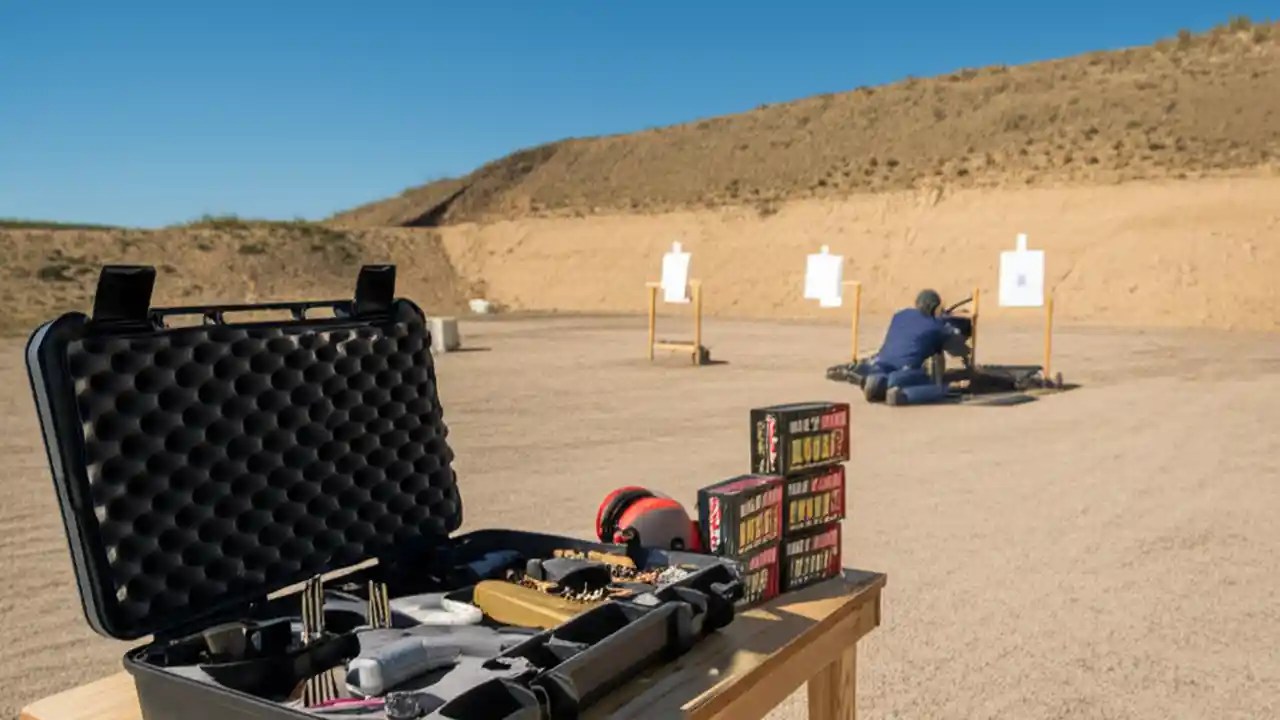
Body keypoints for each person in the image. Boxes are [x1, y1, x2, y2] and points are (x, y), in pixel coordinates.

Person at [860, 289, 970, 405]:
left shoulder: (900, 315)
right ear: (935, 308)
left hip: (882, 362)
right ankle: (903, 395)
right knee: (934, 386)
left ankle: (878, 380)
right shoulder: (937, 326)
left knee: (885, 373)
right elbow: (958, 350)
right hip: (906, 368)